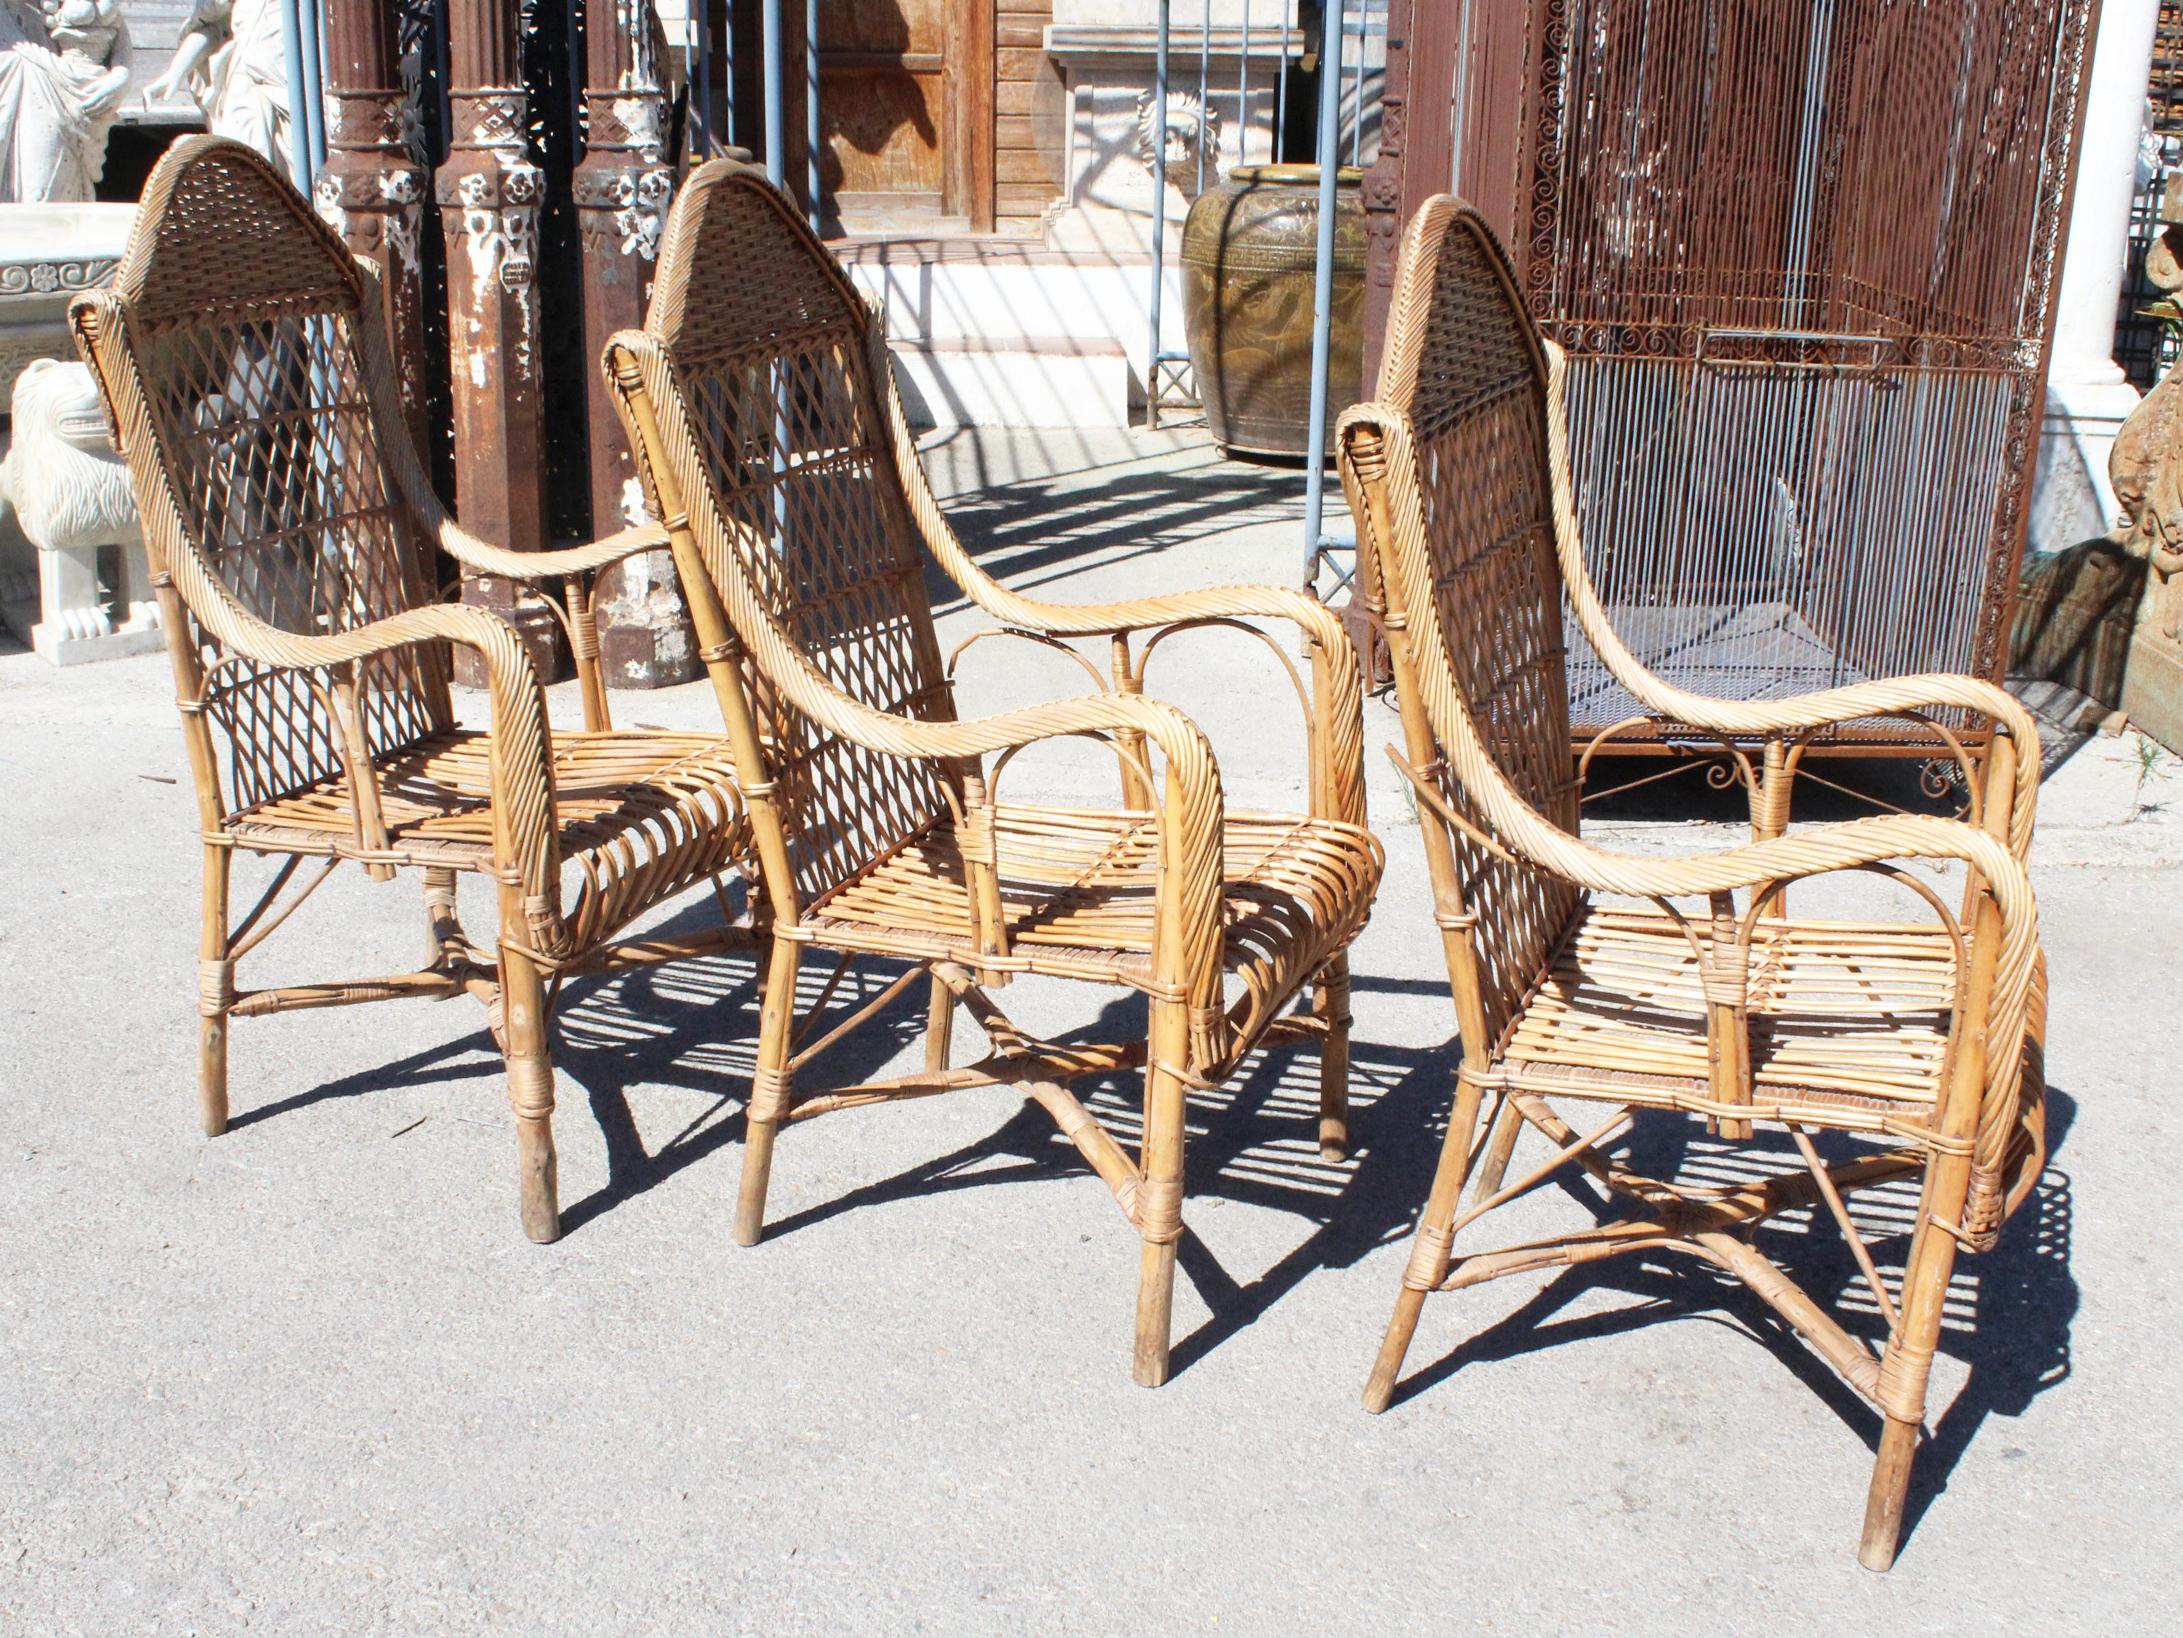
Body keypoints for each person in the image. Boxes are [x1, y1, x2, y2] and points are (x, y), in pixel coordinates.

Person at [148, 0, 301, 187]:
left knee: (300, 163)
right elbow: (211, 27)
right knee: (246, 161)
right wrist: (174, 73)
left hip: (295, 86)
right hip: (247, 82)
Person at [0, 0, 131, 202]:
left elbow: (107, 20)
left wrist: (122, 70)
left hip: (49, 74)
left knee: (45, 197)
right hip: (23, 61)